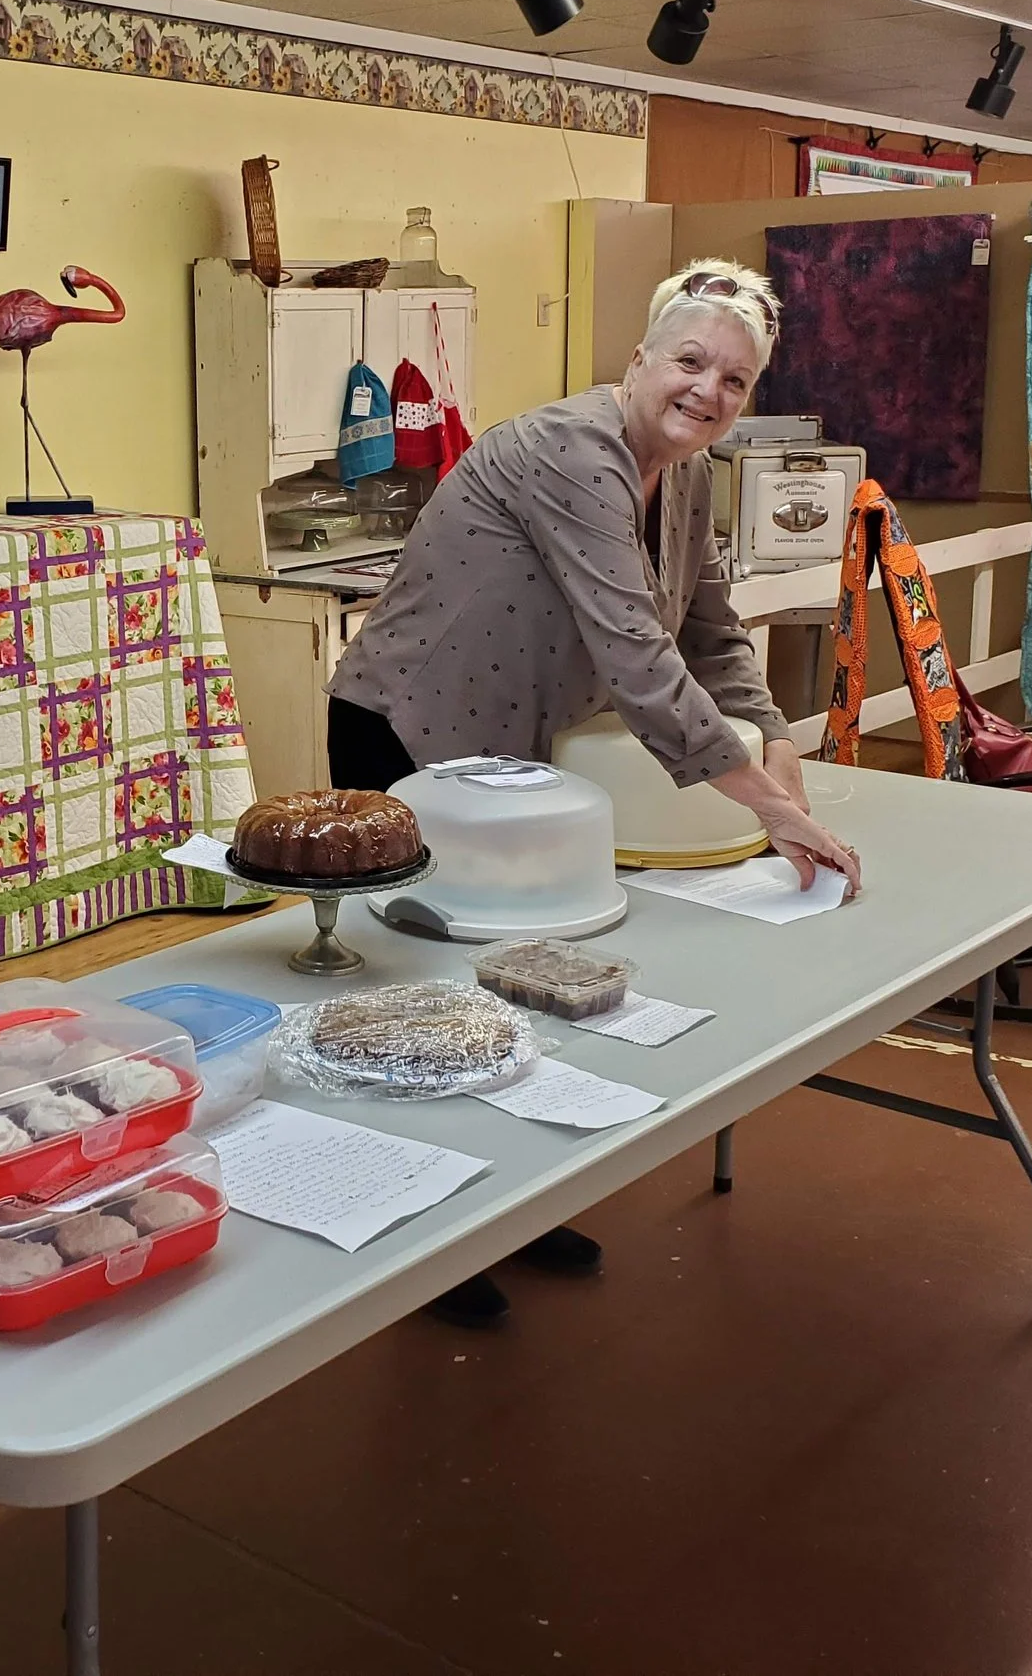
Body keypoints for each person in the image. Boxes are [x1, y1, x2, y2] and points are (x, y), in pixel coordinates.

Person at [327, 257, 862, 1330]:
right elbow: (636, 655)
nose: (709, 391)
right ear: (639, 360)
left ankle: (507, 1208)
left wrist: (772, 741)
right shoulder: (572, 451)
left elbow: (708, 630)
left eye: (735, 380)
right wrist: (766, 805)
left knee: (514, 982)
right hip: (410, 735)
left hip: (514, 762)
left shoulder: (690, 470)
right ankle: (425, 1241)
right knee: (429, 996)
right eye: (690, 361)